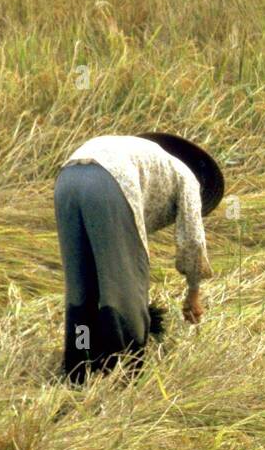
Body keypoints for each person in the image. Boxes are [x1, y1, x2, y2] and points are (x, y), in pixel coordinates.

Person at [54, 132, 224, 383]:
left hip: (67, 179)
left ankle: (78, 370)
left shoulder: (147, 158)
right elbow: (192, 240)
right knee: (124, 289)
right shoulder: (186, 176)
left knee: (81, 289)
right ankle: (123, 373)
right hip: (110, 182)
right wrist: (193, 292)